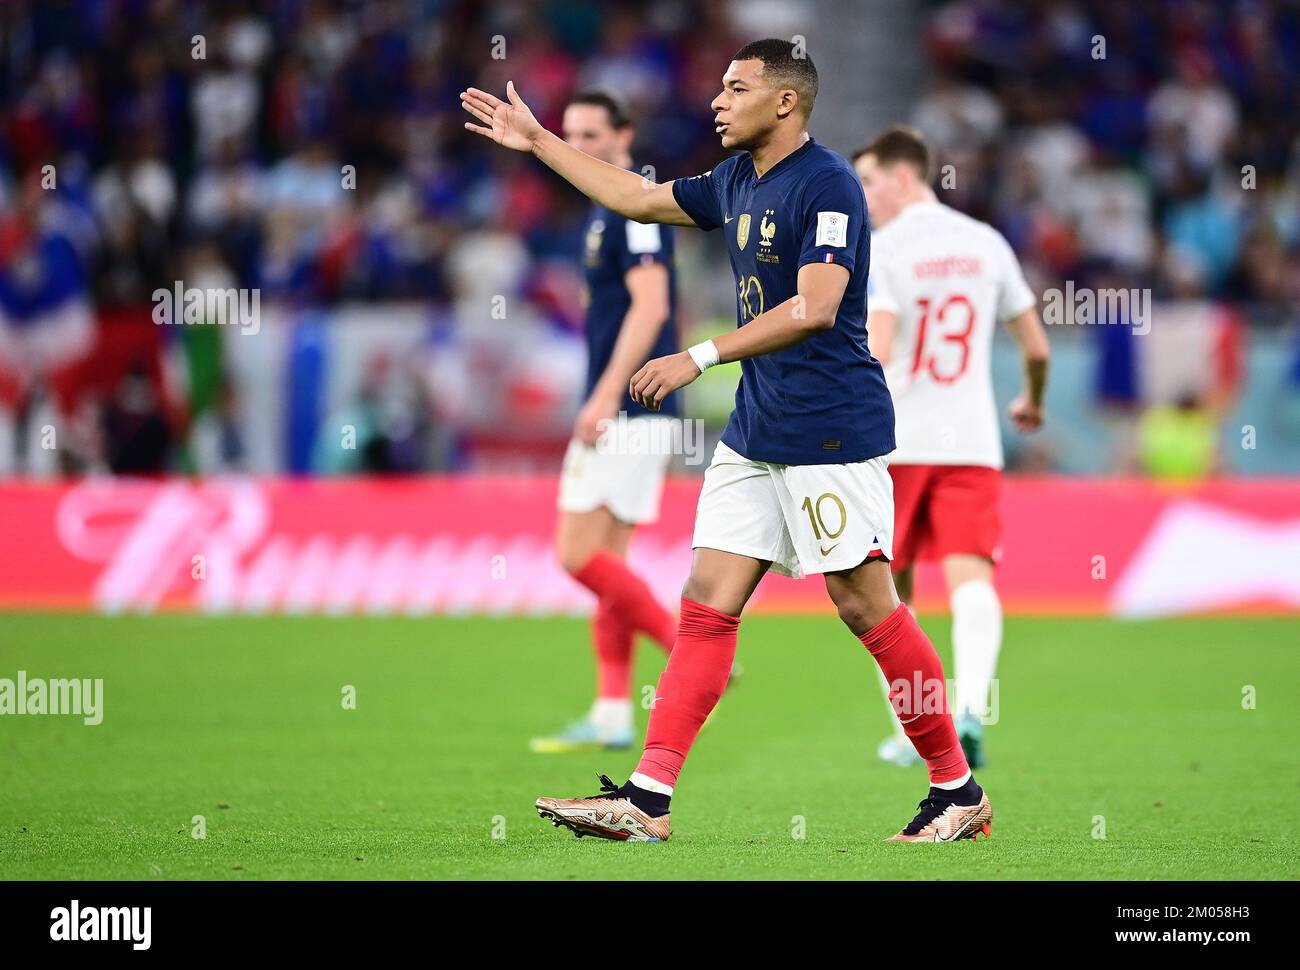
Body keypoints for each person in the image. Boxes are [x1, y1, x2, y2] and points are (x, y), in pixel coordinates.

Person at [462, 39, 991, 843]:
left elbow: (815, 306)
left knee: (864, 605)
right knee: (707, 603)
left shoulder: (830, 185)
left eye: (736, 87)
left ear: (785, 102)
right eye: (719, 85)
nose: (717, 99)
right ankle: (647, 800)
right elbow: (637, 200)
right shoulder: (735, 179)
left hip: (830, 427)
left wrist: (698, 355)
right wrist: (539, 144)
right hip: (757, 428)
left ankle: (956, 789)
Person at [853, 126, 1050, 769]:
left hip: (897, 442)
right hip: (971, 440)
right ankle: (971, 711)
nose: (864, 196)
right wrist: (1032, 400)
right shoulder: (986, 242)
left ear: (903, 177)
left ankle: (915, 735)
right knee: (972, 578)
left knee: (888, 592)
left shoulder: (880, 250)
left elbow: (878, 348)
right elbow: (1037, 347)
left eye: (869, 181)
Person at [531, 91, 683, 753]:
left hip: (630, 404)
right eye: (569, 134)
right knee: (610, 563)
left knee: (577, 555)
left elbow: (651, 307)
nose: (577, 145)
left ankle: (694, 650)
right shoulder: (605, 208)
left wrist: (603, 394)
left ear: (624, 135)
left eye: (591, 134)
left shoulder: (636, 200)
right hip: (634, 404)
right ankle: (613, 712)